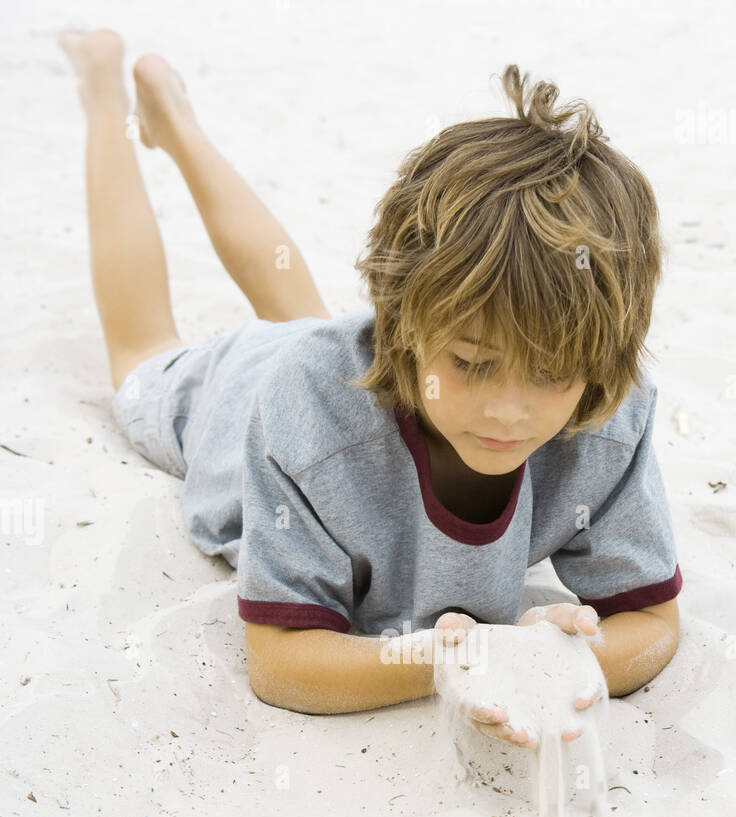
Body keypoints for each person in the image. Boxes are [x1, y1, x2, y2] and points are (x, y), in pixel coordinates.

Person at [59, 31, 682, 749]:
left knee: (301, 319)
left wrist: (555, 656)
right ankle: (104, 99)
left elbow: (654, 625)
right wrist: (447, 662)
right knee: (143, 350)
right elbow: (279, 663)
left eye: (548, 376)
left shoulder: (604, 410)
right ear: (401, 324)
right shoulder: (310, 417)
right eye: (474, 364)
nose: (508, 410)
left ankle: (174, 120)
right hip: (251, 398)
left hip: (340, 366)